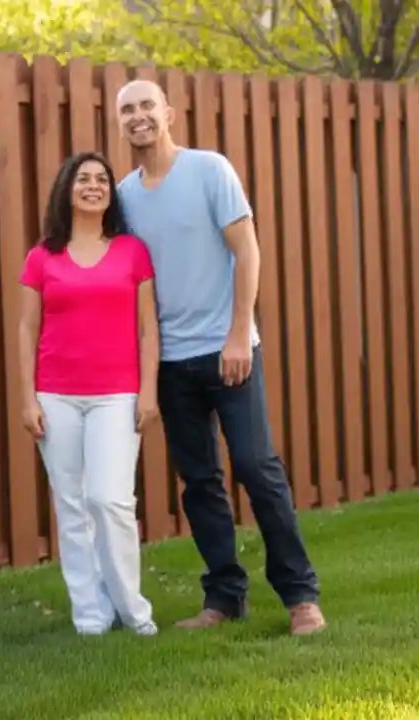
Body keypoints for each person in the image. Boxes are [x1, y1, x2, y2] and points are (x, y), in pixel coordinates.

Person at [113, 79, 327, 636]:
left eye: (145, 106)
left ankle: (301, 596)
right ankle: (225, 596)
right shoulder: (124, 195)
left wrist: (238, 335)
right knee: (200, 482)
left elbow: (247, 249)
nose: (138, 116)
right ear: (118, 123)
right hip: (170, 365)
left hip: (228, 351)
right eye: (126, 109)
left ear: (170, 114)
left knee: (258, 468)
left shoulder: (210, 170)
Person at [18, 151, 160, 637]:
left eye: (102, 179)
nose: (94, 186)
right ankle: (91, 616)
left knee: (110, 500)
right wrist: (27, 398)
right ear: (68, 189)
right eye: (84, 179)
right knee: (72, 507)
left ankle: (133, 611)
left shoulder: (131, 252)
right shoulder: (42, 257)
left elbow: (147, 329)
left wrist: (148, 392)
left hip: (117, 395)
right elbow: (26, 329)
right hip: (56, 395)